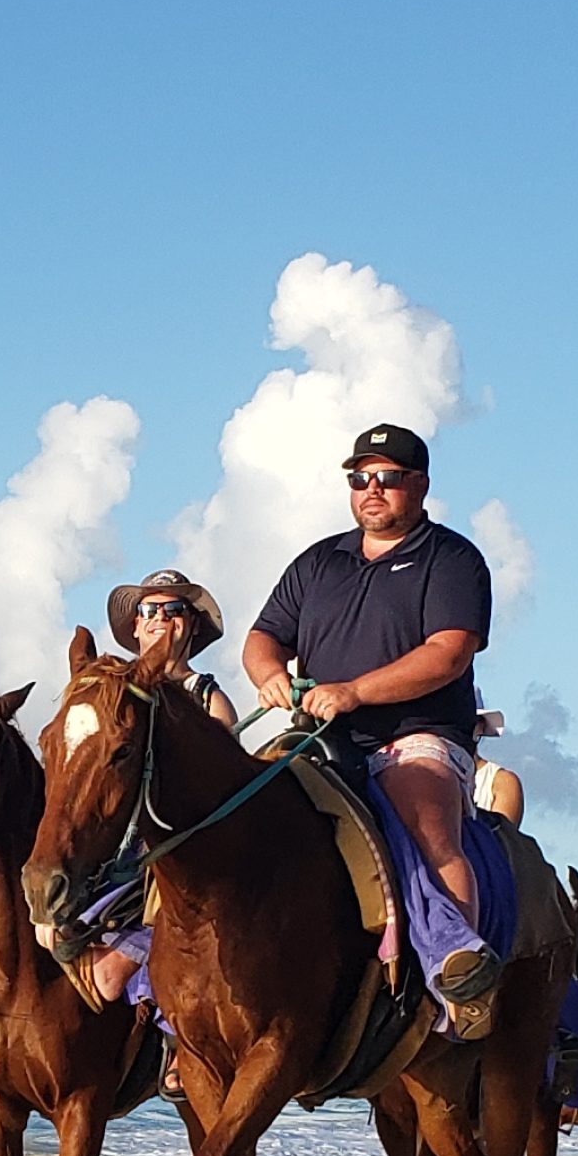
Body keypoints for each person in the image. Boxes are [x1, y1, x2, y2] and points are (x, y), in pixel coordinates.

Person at [242, 424, 501, 1023]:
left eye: (388, 478)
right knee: (234, 812)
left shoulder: (452, 558)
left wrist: (356, 691)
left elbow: (450, 652)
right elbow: (264, 636)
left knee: (424, 818)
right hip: (317, 736)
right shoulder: (317, 561)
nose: (372, 490)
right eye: (360, 479)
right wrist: (268, 675)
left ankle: (455, 977)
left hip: (416, 732)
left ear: (421, 485)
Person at [82, 570, 238, 1012]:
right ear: (135, 624)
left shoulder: (207, 697)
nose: (159, 619)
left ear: (190, 624)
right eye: (149, 609)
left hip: (167, 852)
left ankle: (169, 1029)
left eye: (173, 610)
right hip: (109, 843)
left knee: (108, 978)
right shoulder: (113, 690)